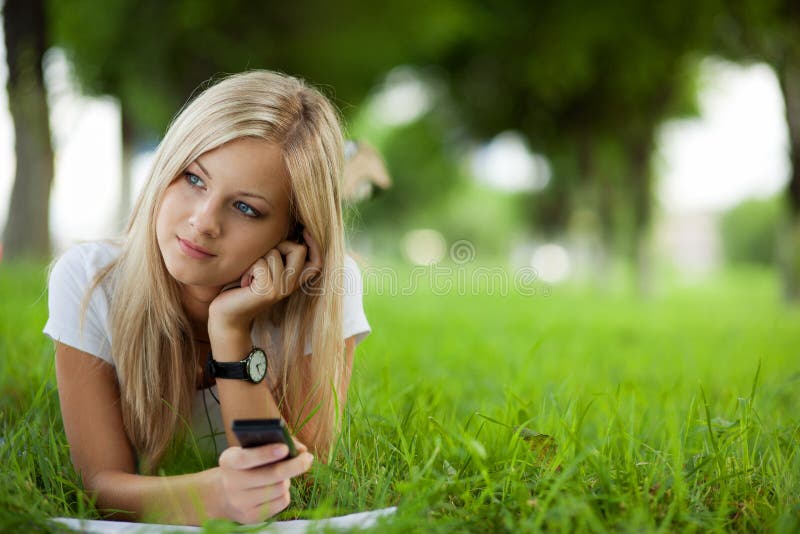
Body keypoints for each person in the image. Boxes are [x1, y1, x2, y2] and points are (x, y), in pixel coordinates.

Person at [43, 70, 371, 525]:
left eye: (245, 208)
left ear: (294, 233)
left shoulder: (328, 288)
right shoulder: (90, 280)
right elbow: (100, 487)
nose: (202, 221)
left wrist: (231, 333)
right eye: (194, 179)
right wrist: (211, 496)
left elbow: (299, 486)